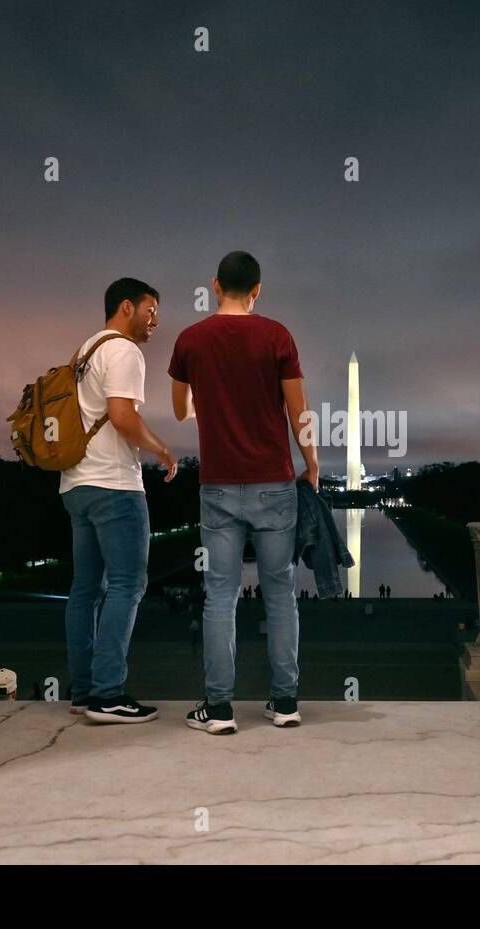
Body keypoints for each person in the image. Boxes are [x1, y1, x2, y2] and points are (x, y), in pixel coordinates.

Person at [169, 251, 317, 734]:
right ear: (257, 290)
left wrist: (214, 401)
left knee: (220, 596)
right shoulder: (277, 336)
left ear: (215, 285)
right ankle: (285, 701)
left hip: (217, 484)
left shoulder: (190, 340)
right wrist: (311, 463)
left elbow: (180, 411)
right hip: (274, 482)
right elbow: (300, 414)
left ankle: (218, 709)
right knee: (280, 594)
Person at [60, 277, 177, 725]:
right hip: (114, 485)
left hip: (77, 485)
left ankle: (83, 690)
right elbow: (123, 416)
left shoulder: (85, 350)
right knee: (128, 585)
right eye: (151, 310)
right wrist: (162, 448)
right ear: (126, 307)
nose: (156, 321)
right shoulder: (125, 350)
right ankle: (108, 695)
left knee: (85, 589)